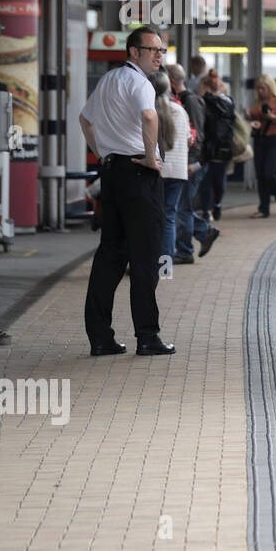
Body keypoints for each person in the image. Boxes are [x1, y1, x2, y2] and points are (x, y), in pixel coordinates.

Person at [79, 26, 175, 357]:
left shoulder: (108, 80)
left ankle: (100, 337)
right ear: (134, 52)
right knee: (146, 256)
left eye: (162, 50)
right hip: (139, 175)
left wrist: (104, 153)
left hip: (113, 173)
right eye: (153, 50)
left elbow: (85, 119)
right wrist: (151, 157)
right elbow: (149, 117)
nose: (159, 56)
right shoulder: (139, 83)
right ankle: (148, 336)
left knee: (110, 254)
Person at [167, 63, 216, 260]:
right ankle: (205, 232)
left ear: (171, 80)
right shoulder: (181, 100)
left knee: (182, 207)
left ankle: (185, 251)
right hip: (186, 162)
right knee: (179, 206)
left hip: (192, 164)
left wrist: (192, 164)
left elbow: (198, 137)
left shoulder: (191, 101)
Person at [152, 71, 190, 263]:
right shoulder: (180, 111)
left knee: (150, 219)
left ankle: (146, 262)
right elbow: (189, 139)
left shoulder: (149, 111)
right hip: (178, 171)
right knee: (169, 218)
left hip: (156, 170)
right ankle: (165, 267)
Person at [248, 73, 276, 217]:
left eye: (262, 88)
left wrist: (272, 117)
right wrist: (250, 118)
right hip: (260, 139)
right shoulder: (257, 102)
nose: (260, 91)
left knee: (269, 173)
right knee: (260, 175)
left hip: (275, 139)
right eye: (258, 89)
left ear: (269, 87)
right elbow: (254, 119)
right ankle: (263, 208)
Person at [198, 71, 234, 222]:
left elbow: (221, 108)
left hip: (221, 146)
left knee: (218, 181)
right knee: (205, 181)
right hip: (206, 145)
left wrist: (207, 95)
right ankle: (207, 209)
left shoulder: (225, 101)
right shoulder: (201, 101)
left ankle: (217, 204)